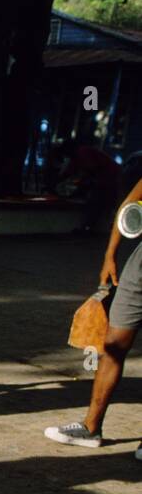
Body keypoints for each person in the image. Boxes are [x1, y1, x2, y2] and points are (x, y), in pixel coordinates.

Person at [44, 174, 142, 460]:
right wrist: (110, 255)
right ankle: (91, 428)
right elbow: (128, 205)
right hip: (138, 268)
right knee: (112, 346)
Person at [54, 141, 121, 234]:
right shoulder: (76, 157)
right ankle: (89, 226)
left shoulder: (82, 153)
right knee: (96, 199)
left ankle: (87, 227)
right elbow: (69, 171)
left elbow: (91, 170)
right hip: (106, 178)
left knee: (96, 200)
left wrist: (82, 184)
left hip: (110, 178)